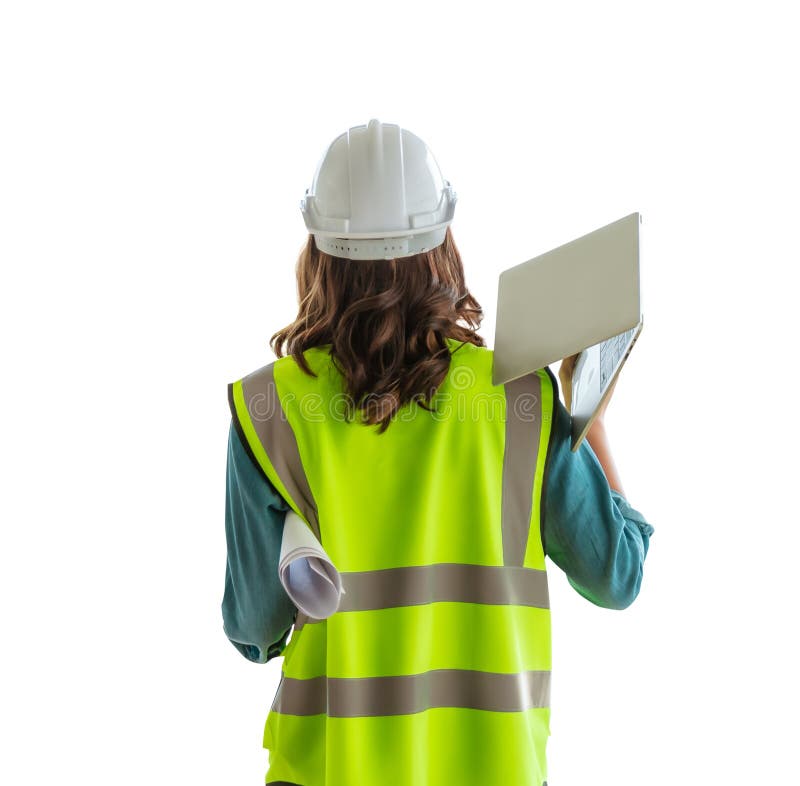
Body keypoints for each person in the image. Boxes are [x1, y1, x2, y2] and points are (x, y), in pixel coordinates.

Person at [221, 119, 655, 786]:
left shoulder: (270, 409)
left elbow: (254, 626)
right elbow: (616, 576)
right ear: (441, 245)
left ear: (318, 252)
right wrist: (584, 415)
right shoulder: (520, 400)